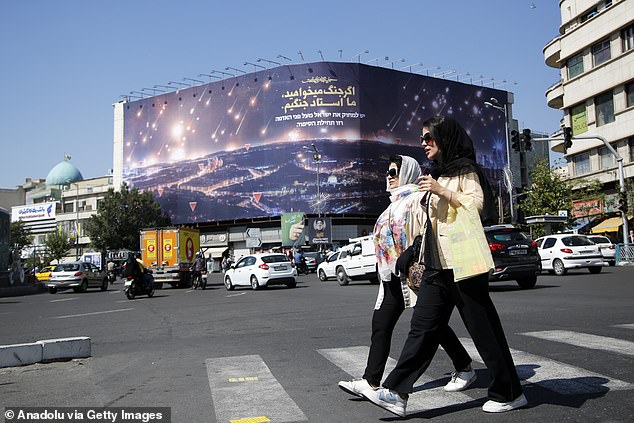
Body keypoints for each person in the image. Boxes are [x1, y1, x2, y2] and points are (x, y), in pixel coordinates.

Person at [362, 116, 526, 417]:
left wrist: (442, 191)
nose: (424, 143)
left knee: (484, 330)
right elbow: (429, 225)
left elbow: (476, 206)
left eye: (429, 138)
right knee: (421, 328)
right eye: (422, 138)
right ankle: (397, 392)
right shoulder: (436, 173)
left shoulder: (464, 169)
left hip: (462, 262)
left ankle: (510, 392)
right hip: (437, 266)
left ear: (445, 137)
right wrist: (412, 253)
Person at [338, 155, 475, 398]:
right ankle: (370, 381)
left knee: (433, 325)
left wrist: (410, 252)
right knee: (380, 325)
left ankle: (464, 366)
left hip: (413, 273)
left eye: (393, 172)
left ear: (409, 172)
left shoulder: (417, 199)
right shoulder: (392, 204)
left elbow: (427, 230)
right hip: (391, 277)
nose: (389, 177)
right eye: (388, 173)